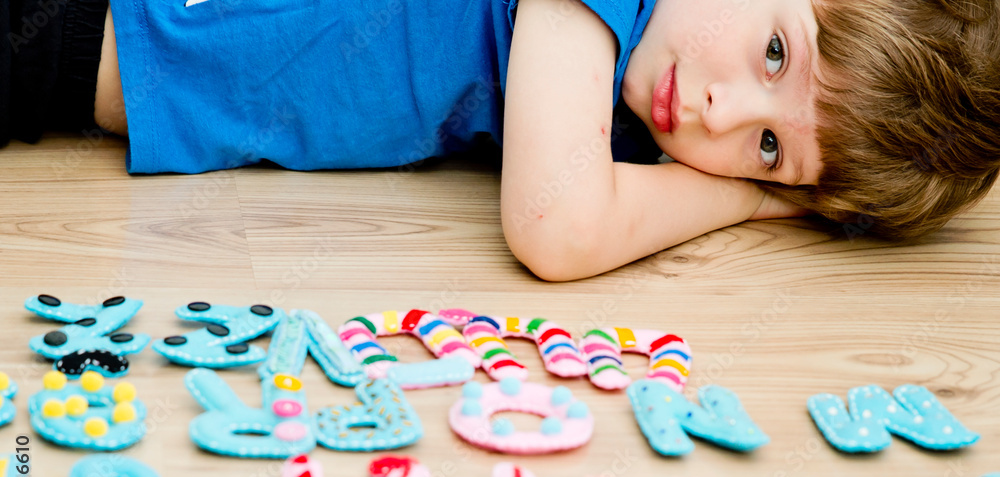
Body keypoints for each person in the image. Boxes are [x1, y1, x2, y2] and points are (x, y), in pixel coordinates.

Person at [3, 0, 999, 280]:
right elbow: (558, 227)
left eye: (771, 148)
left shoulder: (637, 82)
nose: (718, 113)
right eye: (775, 52)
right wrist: (762, 196)